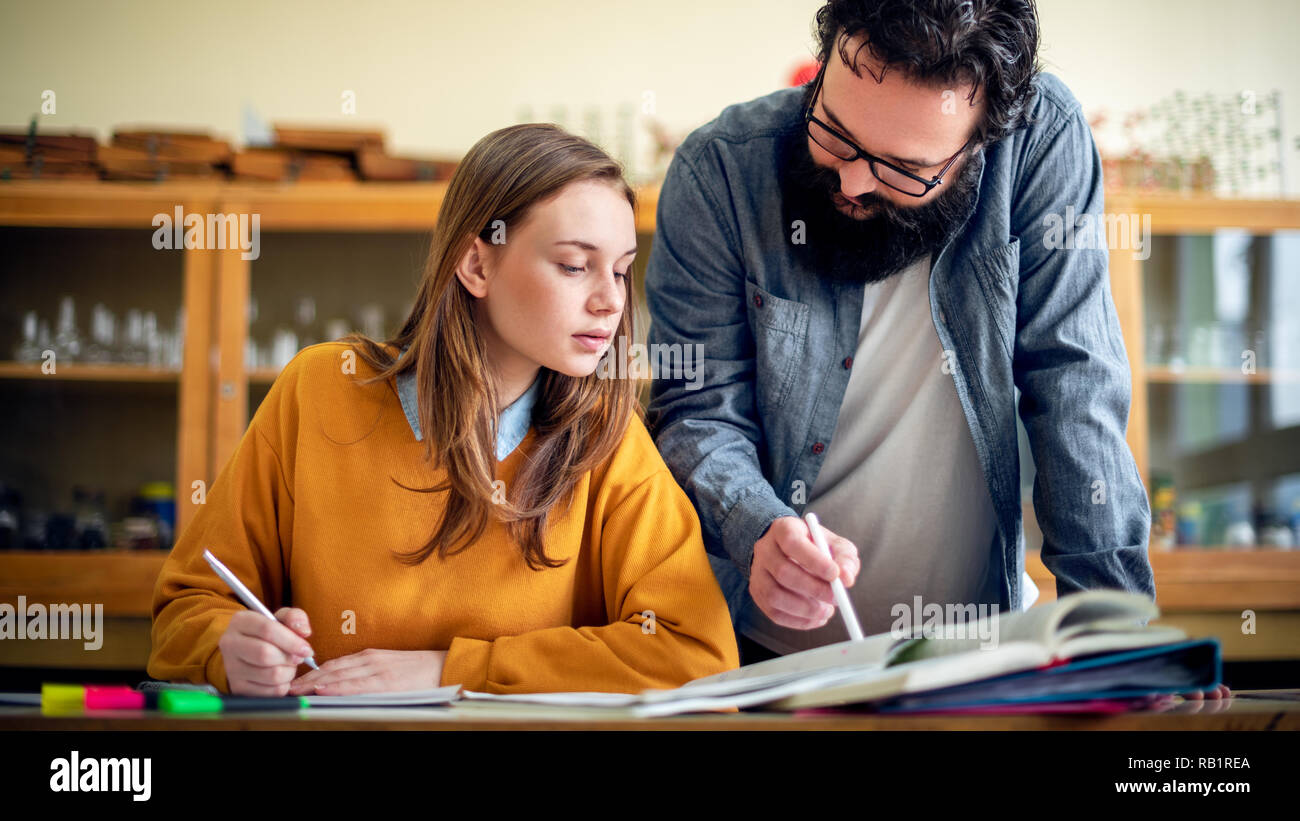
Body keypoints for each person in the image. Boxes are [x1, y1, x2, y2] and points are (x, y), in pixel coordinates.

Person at [645, 0, 1227, 700]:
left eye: (903, 169)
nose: (853, 182)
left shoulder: (1042, 140)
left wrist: (1116, 651)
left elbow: (1075, 389)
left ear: (982, 139)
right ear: (825, 57)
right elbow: (698, 408)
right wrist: (756, 524)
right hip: (759, 657)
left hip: (979, 658)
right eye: (834, 131)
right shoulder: (721, 172)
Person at [148, 123, 740, 696]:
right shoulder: (320, 390)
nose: (611, 300)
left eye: (619, 269)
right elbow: (185, 613)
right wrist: (227, 649)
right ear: (477, 265)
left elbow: (697, 655)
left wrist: (450, 670)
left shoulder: (607, 440)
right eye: (573, 265)